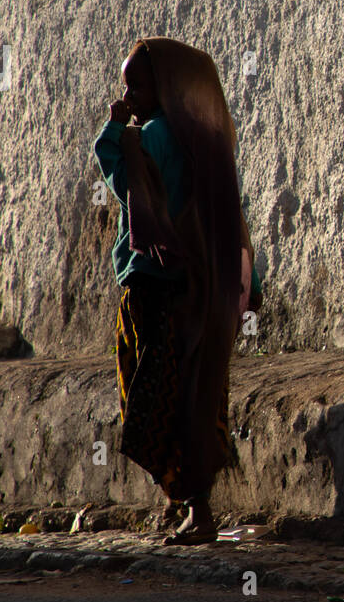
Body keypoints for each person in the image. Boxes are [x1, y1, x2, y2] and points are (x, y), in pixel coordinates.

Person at [93, 37, 258, 545]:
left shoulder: (156, 136)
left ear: (164, 86)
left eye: (137, 86)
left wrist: (114, 130)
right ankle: (187, 504)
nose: (131, 96)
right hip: (192, 287)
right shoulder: (201, 135)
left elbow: (127, 186)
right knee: (192, 393)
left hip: (154, 289)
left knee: (155, 397)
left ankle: (196, 510)